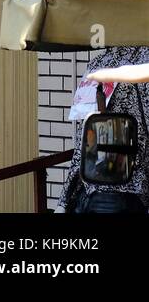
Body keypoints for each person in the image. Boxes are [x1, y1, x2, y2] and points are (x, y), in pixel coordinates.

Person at [59, 45, 149, 213]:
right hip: (131, 189)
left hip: (92, 187)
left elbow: (84, 139)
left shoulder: (97, 64)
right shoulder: (144, 63)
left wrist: (63, 201)